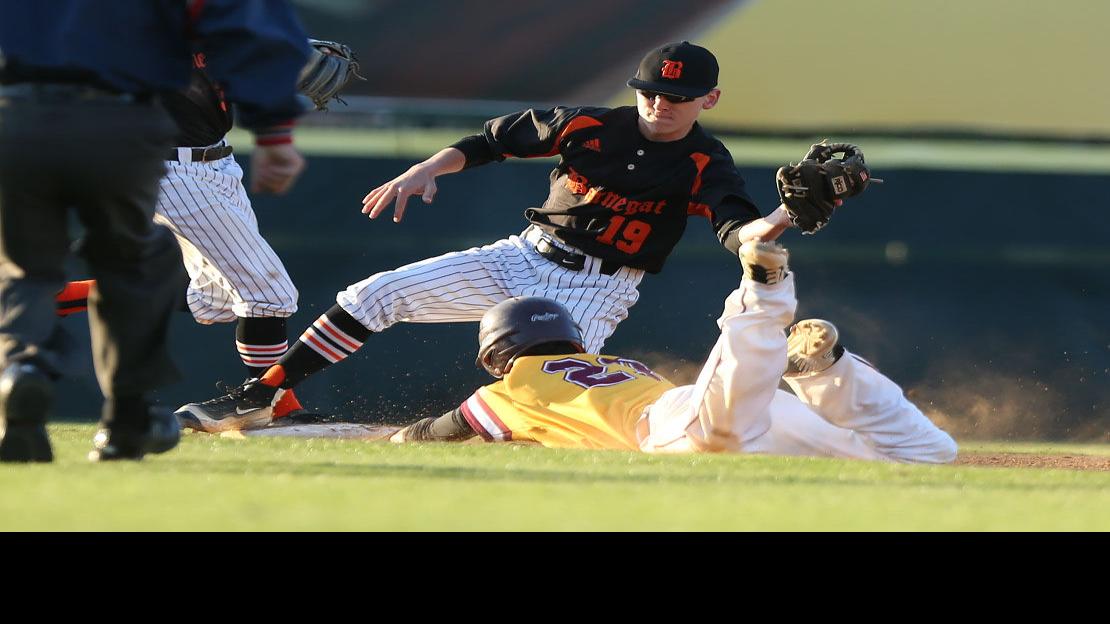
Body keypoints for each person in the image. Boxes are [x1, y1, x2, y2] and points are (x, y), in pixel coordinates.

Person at [175, 41, 808, 432]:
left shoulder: (706, 161)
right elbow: (491, 141)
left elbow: (737, 230)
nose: (660, 105)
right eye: (651, 91)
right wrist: (425, 168)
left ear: (709, 99)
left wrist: (784, 217)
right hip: (521, 256)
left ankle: (476, 435)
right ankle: (261, 396)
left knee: (543, 387)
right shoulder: (590, 124)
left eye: (677, 97)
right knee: (372, 295)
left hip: (596, 288)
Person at [0, 0, 311, 461]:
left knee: (29, 272)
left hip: (20, 120)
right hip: (140, 135)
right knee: (162, 274)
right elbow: (251, 29)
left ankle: (21, 368)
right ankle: (239, 405)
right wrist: (274, 126)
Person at [389, 240, 958, 464]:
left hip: (678, 428)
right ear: (570, 336)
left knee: (725, 417)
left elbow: (439, 432)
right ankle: (827, 369)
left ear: (497, 355)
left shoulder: (509, 390)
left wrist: (394, 437)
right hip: (737, 412)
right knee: (928, 457)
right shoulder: (614, 363)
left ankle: (761, 293)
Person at [53, 40, 361, 421]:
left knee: (214, 299)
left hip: (212, 160)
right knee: (269, 293)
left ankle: (52, 297)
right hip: (171, 168)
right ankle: (270, 406)